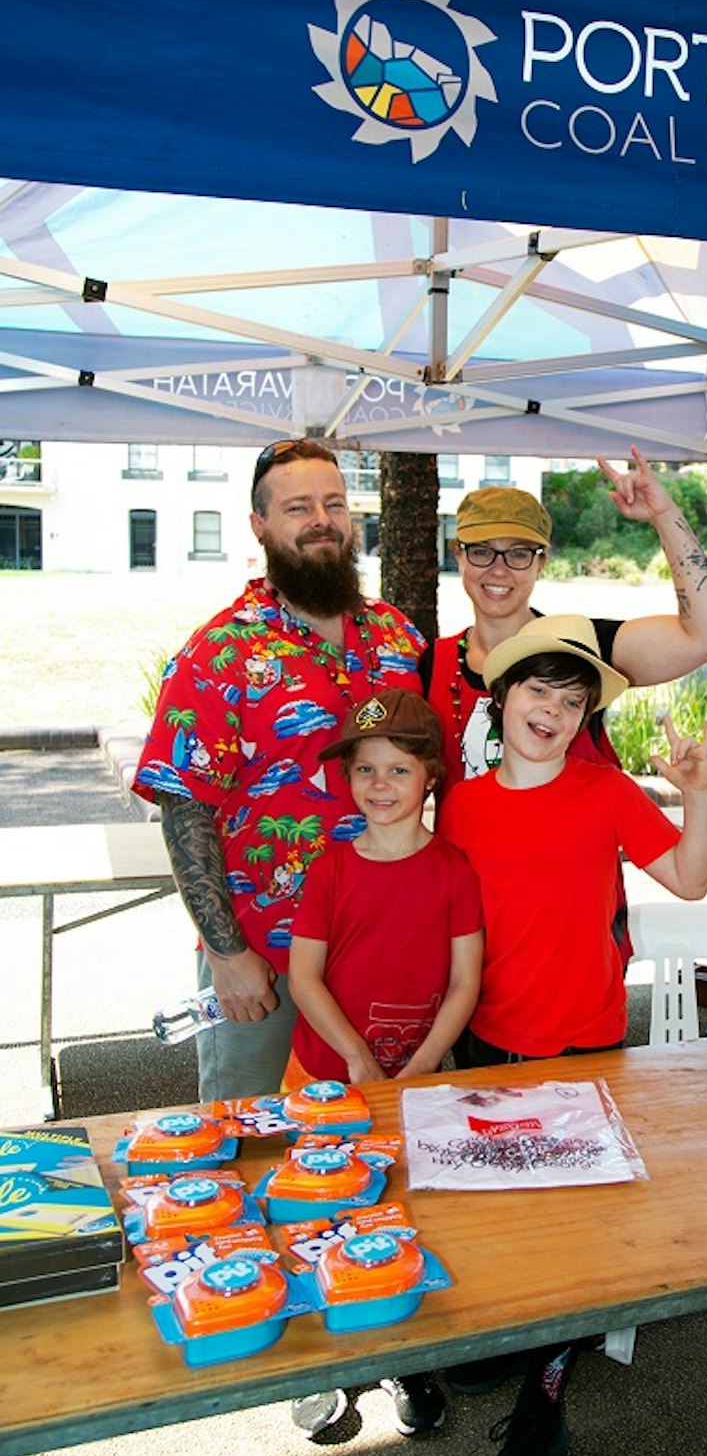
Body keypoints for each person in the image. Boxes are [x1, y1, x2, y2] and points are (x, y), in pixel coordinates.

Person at [438, 614, 707, 1456]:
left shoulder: (604, 792)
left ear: (585, 716)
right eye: (536, 692)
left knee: (581, 1245)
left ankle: (540, 1407)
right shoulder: (463, 804)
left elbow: (688, 878)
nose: (551, 711)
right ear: (500, 699)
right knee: (501, 1229)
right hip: (488, 1049)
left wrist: (697, 794)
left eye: (570, 699)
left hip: (588, 1049)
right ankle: (504, 1336)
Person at [133, 439, 426, 1105]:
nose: (321, 519)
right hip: (265, 966)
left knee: (385, 1141)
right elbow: (185, 809)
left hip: (390, 957)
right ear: (259, 525)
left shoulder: (398, 639)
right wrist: (227, 957)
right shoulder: (219, 653)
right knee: (251, 1141)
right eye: (298, 507)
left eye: (334, 503)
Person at [286, 688, 483, 1443]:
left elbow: (466, 980)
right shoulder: (332, 866)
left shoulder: (453, 869)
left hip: (416, 1084)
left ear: (430, 774)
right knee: (324, 1214)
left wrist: (423, 1063)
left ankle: (409, 1359)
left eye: (397, 769)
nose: (378, 785)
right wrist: (357, 1055)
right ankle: (328, 1364)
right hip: (325, 1080)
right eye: (364, 768)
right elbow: (305, 977)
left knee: (401, 1216)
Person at [423, 446, 707, 801]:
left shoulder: (582, 648)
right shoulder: (434, 663)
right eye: (482, 551)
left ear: (541, 563)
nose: (499, 569)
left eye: (519, 554)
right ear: (458, 555)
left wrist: (664, 516)